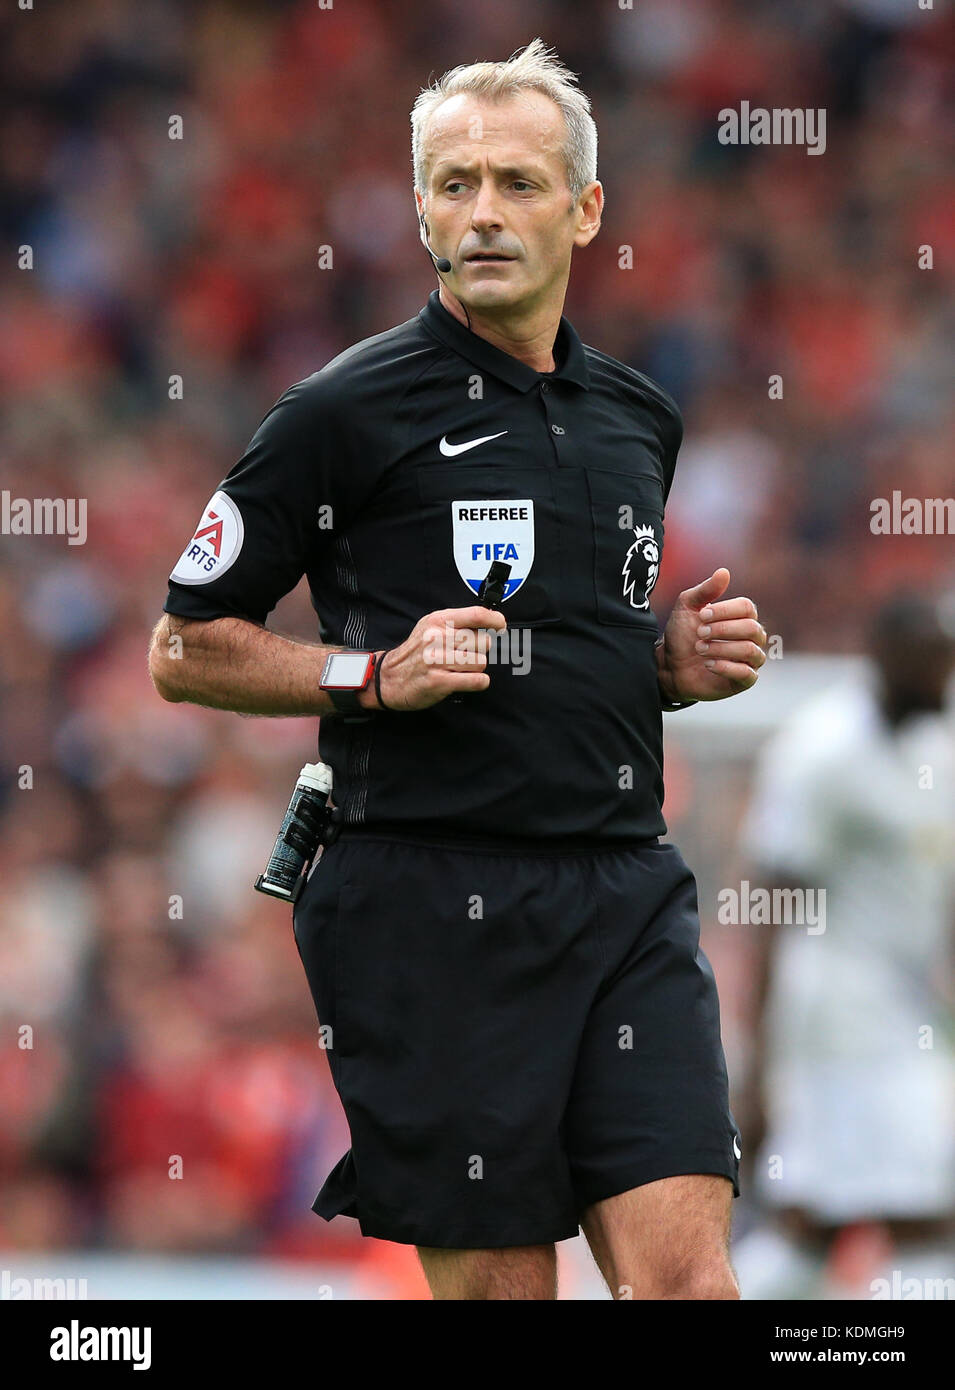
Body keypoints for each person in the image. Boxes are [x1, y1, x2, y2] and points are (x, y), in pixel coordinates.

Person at [149, 39, 768, 1300]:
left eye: (518, 183)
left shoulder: (638, 418)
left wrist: (663, 665)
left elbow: (566, 636)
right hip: (428, 902)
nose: (482, 212)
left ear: (585, 209)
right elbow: (183, 644)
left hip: (622, 887)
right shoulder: (340, 412)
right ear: (422, 208)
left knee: (690, 1285)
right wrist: (372, 676)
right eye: (454, 184)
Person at [733, 592, 955, 1299]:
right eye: (932, 661)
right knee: (918, 1216)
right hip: (834, 1017)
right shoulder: (820, 750)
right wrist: (759, 1060)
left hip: (909, 1014)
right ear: (888, 657)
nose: (944, 675)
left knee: (819, 1224)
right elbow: (771, 905)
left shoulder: (937, 744)